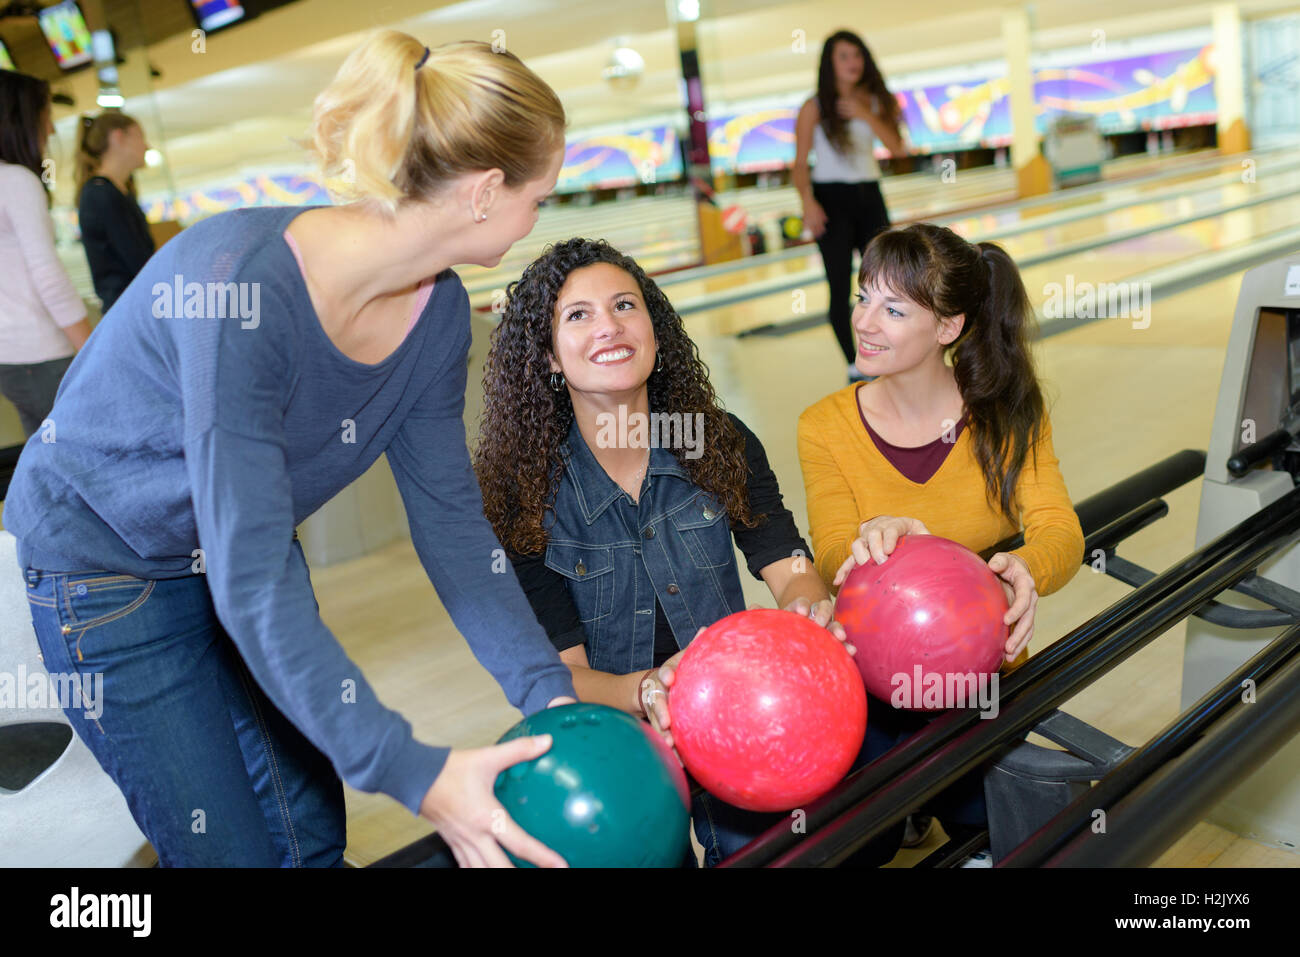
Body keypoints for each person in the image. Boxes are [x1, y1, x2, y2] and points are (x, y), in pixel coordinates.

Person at [5, 32, 579, 869]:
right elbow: (252, 576)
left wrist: (548, 697)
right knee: (229, 853)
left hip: (233, 553)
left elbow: (453, 527)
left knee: (309, 834)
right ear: (486, 192)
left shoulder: (439, 315)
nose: (539, 219)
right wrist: (417, 773)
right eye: (541, 197)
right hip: (104, 570)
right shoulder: (239, 288)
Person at [473, 237, 877, 867]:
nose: (608, 325)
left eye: (624, 305)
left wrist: (808, 609)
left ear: (655, 333)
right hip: (618, 744)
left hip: (740, 713)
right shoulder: (522, 498)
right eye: (577, 315)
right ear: (549, 357)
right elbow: (561, 675)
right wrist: (648, 690)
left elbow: (789, 564)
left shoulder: (716, 441)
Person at [797, 222, 1085, 861]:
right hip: (872, 676)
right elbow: (833, 550)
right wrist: (878, 539)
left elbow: (1061, 530)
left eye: (894, 309)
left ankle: (932, 806)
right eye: (864, 296)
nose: (865, 321)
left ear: (948, 328)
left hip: (979, 669)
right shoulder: (825, 425)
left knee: (1018, 833)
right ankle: (906, 806)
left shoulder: (1006, 412)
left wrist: (1021, 568)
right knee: (846, 840)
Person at [793, 30, 905, 385]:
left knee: (890, 281)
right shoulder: (814, 107)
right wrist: (808, 203)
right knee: (840, 287)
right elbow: (798, 164)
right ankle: (855, 364)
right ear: (830, 63)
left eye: (857, 55)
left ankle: (893, 352)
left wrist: (864, 114)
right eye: (843, 56)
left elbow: (899, 149)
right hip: (831, 200)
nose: (852, 63)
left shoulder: (873, 101)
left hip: (870, 197)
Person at [0, 70, 93, 438]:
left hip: (10, 358)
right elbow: (47, 275)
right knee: (86, 460)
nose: (51, 129)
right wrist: (91, 348)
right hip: (43, 354)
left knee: (49, 464)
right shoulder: (16, 181)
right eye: (46, 115)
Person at [75, 111, 156, 314]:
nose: (146, 146)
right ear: (118, 137)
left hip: (138, 306)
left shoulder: (117, 192)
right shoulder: (101, 194)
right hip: (129, 311)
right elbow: (138, 260)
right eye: (140, 137)